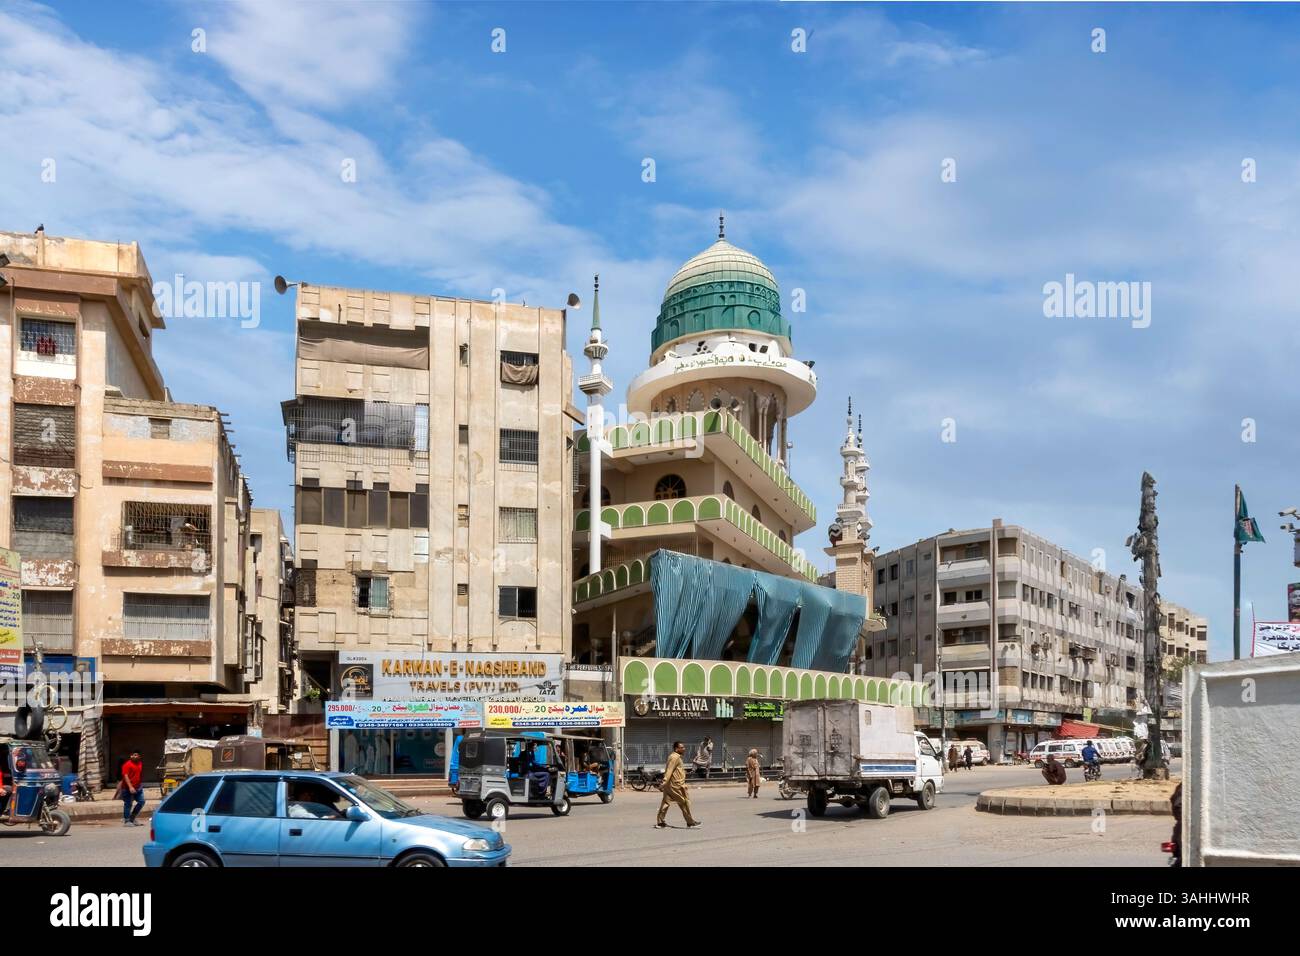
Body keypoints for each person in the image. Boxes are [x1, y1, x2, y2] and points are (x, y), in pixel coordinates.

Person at [655, 741, 701, 829]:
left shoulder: (674, 756)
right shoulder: (675, 757)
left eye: (684, 747)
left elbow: (675, 770)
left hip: (670, 785)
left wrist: (683, 772)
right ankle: (690, 822)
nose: (684, 749)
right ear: (676, 749)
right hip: (675, 785)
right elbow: (669, 770)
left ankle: (660, 822)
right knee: (684, 802)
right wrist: (664, 782)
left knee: (665, 803)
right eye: (682, 747)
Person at [118, 751, 146, 826]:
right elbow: (125, 776)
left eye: (136, 755)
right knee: (128, 803)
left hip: (138, 787)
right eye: (133, 755)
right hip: (127, 788)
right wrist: (130, 787)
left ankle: (132, 818)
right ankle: (127, 820)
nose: (134, 756)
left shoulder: (140, 763)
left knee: (142, 801)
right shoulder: (127, 765)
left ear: (139, 756)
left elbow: (139, 774)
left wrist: (140, 784)